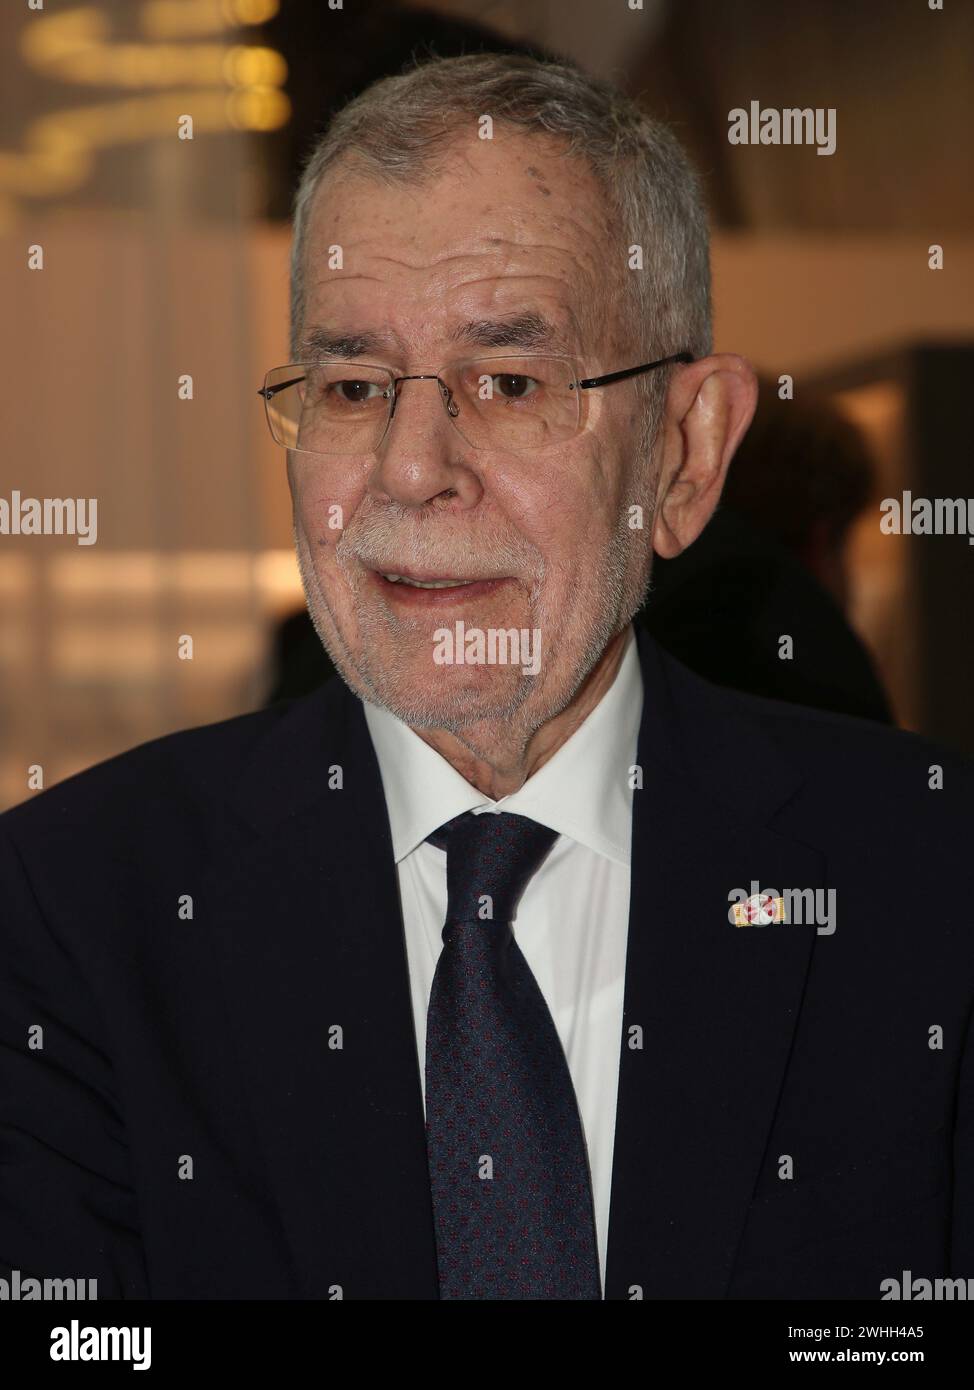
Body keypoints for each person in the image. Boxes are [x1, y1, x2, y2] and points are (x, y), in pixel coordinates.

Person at [1, 53, 971, 1302]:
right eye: (351, 385)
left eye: (506, 382)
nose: (410, 470)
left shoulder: (928, 879)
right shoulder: (68, 914)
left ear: (683, 455)